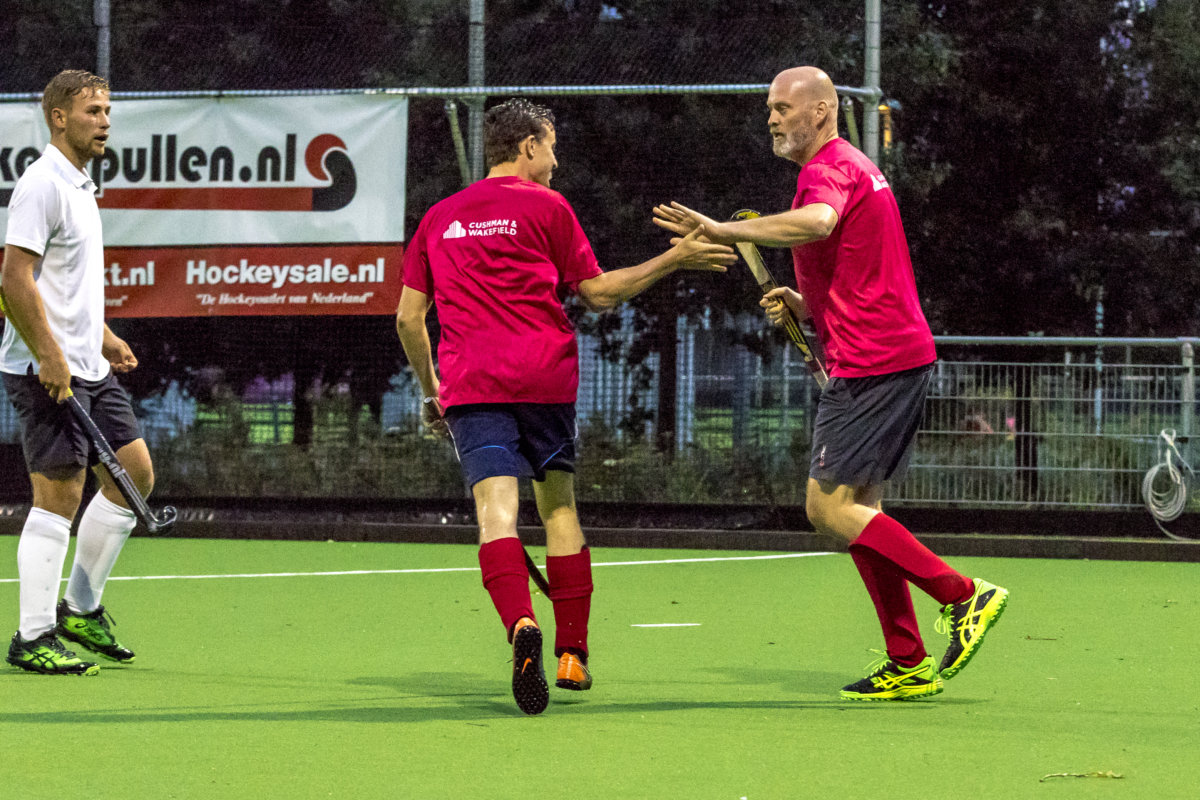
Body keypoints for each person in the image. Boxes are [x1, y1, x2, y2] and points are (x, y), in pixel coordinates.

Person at [653, 66, 1009, 701]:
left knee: (826, 508)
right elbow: (857, 269)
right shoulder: (851, 166)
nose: (772, 117)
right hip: (887, 353)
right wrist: (803, 300)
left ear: (820, 112)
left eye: (784, 107)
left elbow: (817, 223)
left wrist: (724, 229)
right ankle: (907, 658)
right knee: (861, 513)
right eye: (769, 108)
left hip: (874, 364)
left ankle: (962, 596)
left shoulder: (826, 170)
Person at [397, 98, 735, 715]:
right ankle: (571, 654)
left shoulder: (439, 217)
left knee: (496, 515)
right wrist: (676, 258)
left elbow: (408, 319)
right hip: (545, 382)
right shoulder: (548, 207)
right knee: (559, 511)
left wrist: (432, 390)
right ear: (526, 146)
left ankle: (521, 625)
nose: (555, 161)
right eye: (551, 147)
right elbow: (599, 294)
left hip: (473, 387)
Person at [1, 70, 152, 676]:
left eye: (108, 110)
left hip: (85, 361)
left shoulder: (80, 185)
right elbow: (14, 276)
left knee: (134, 471)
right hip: (46, 368)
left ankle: (80, 609)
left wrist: (103, 336)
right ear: (59, 118)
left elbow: (66, 284)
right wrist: (49, 354)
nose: (105, 121)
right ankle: (32, 636)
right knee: (58, 497)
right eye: (93, 110)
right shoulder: (42, 184)